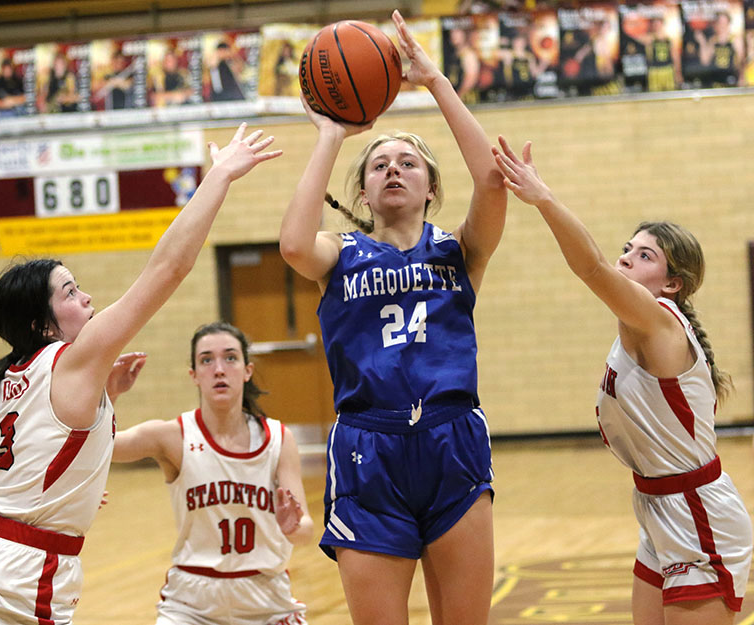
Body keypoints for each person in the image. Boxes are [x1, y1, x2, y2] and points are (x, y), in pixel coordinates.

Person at [0, 123, 282, 625]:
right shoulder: (71, 357)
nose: (86, 298)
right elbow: (168, 269)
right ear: (40, 324)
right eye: (70, 292)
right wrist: (218, 178)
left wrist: (66, 482)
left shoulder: (3, 375)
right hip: (21, 572)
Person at [279, 10, 507, 625]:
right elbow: (294, 245)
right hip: (366, 448)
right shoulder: (339, 255)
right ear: (362, 195)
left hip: (451, 437)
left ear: (431, 186)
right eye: (379, 165)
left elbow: (492, 179)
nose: (393, 170)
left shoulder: (459, 251)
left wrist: (436, 81)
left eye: (408, 162)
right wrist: (330, 136)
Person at [491, 136, 752, 625]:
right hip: (656, 506)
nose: (628, 257)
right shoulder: (635, 325)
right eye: (628, 248)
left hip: (697, 512)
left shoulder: (658, 321)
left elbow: (589, 266)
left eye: (646, 256)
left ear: (672, 283)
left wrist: (543, 197)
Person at [112, 321, 311, 624]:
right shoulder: (173, 436)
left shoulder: (278, 439)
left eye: (230, 358)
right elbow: (103, 447)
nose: (219, 369)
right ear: (193, 375)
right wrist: (109, 395)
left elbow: (306, 530)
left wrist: (293, 526)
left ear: (247, 370)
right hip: (191, 602)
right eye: (206, 360)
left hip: (266, 599)